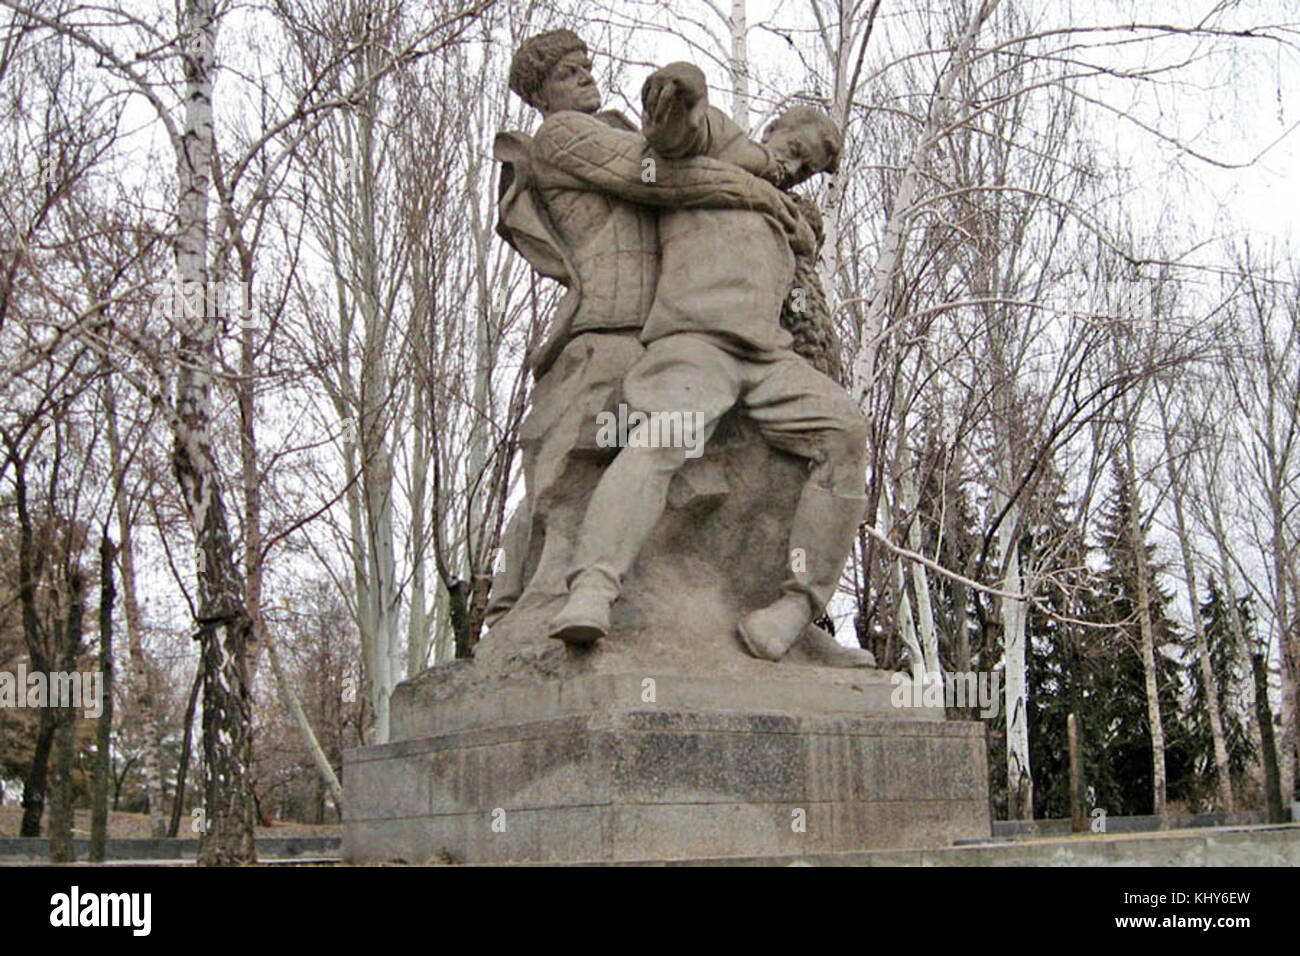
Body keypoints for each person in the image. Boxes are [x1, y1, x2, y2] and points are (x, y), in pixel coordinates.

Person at [544, 66, 870, 663]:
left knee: (846, 430)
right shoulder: (723, 141)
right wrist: (682, 88)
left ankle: (798, 607)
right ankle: (592, 587)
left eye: (810, 168)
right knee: (664, 435)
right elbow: (673, 132)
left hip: (769, 360)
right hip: (692, 344)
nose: (797, 169)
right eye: (797, 150)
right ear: (774, 128)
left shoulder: (787, 219)